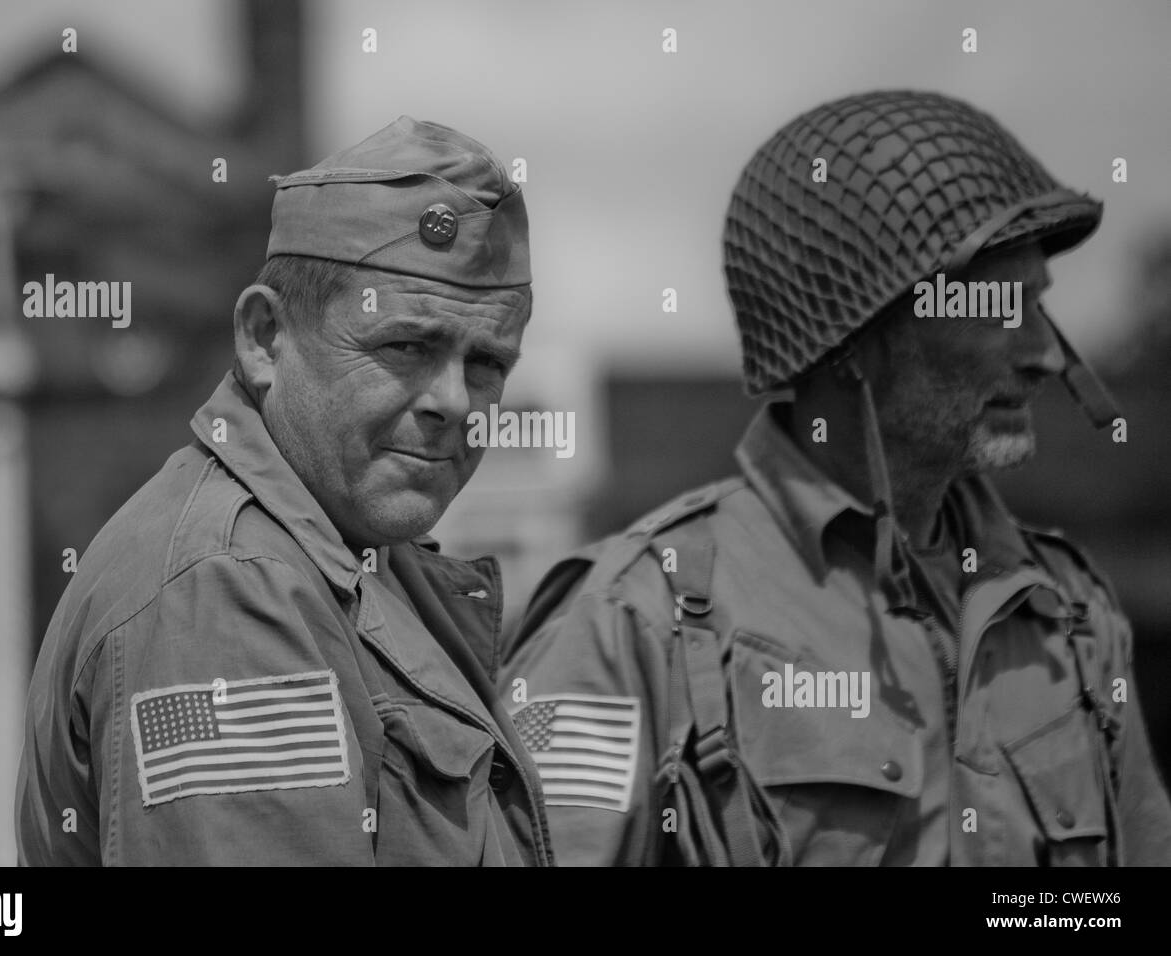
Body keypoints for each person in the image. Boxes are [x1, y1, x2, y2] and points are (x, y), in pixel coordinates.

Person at [501, 90, 1171, 866]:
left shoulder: (1070, 619)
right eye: (997, 307)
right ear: (851, 338)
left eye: (1039, 307)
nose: (1045, 354)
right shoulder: (632, 622)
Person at [16, 116, 552, 865]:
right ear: (265, 338)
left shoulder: (350, 560)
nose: (455, 402)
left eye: (488, 363)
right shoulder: (225, 591)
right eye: (406, 346)